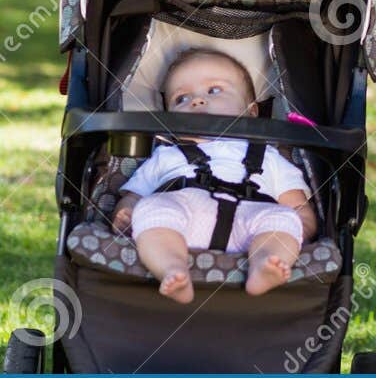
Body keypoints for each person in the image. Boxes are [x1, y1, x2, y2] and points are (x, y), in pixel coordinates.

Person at [111, 49, 318, 302]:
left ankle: (265, 263)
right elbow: (133, 197)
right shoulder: (166, 155)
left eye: (214, 91)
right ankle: (172, 267)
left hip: (250, 226)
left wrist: (298, 232)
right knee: (151, 208)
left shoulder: (268, 156)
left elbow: (297, 206)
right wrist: (126, 211)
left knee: (283, 218)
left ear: (251, 112)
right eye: (181, 99)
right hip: (183, 222)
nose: (196, 101)